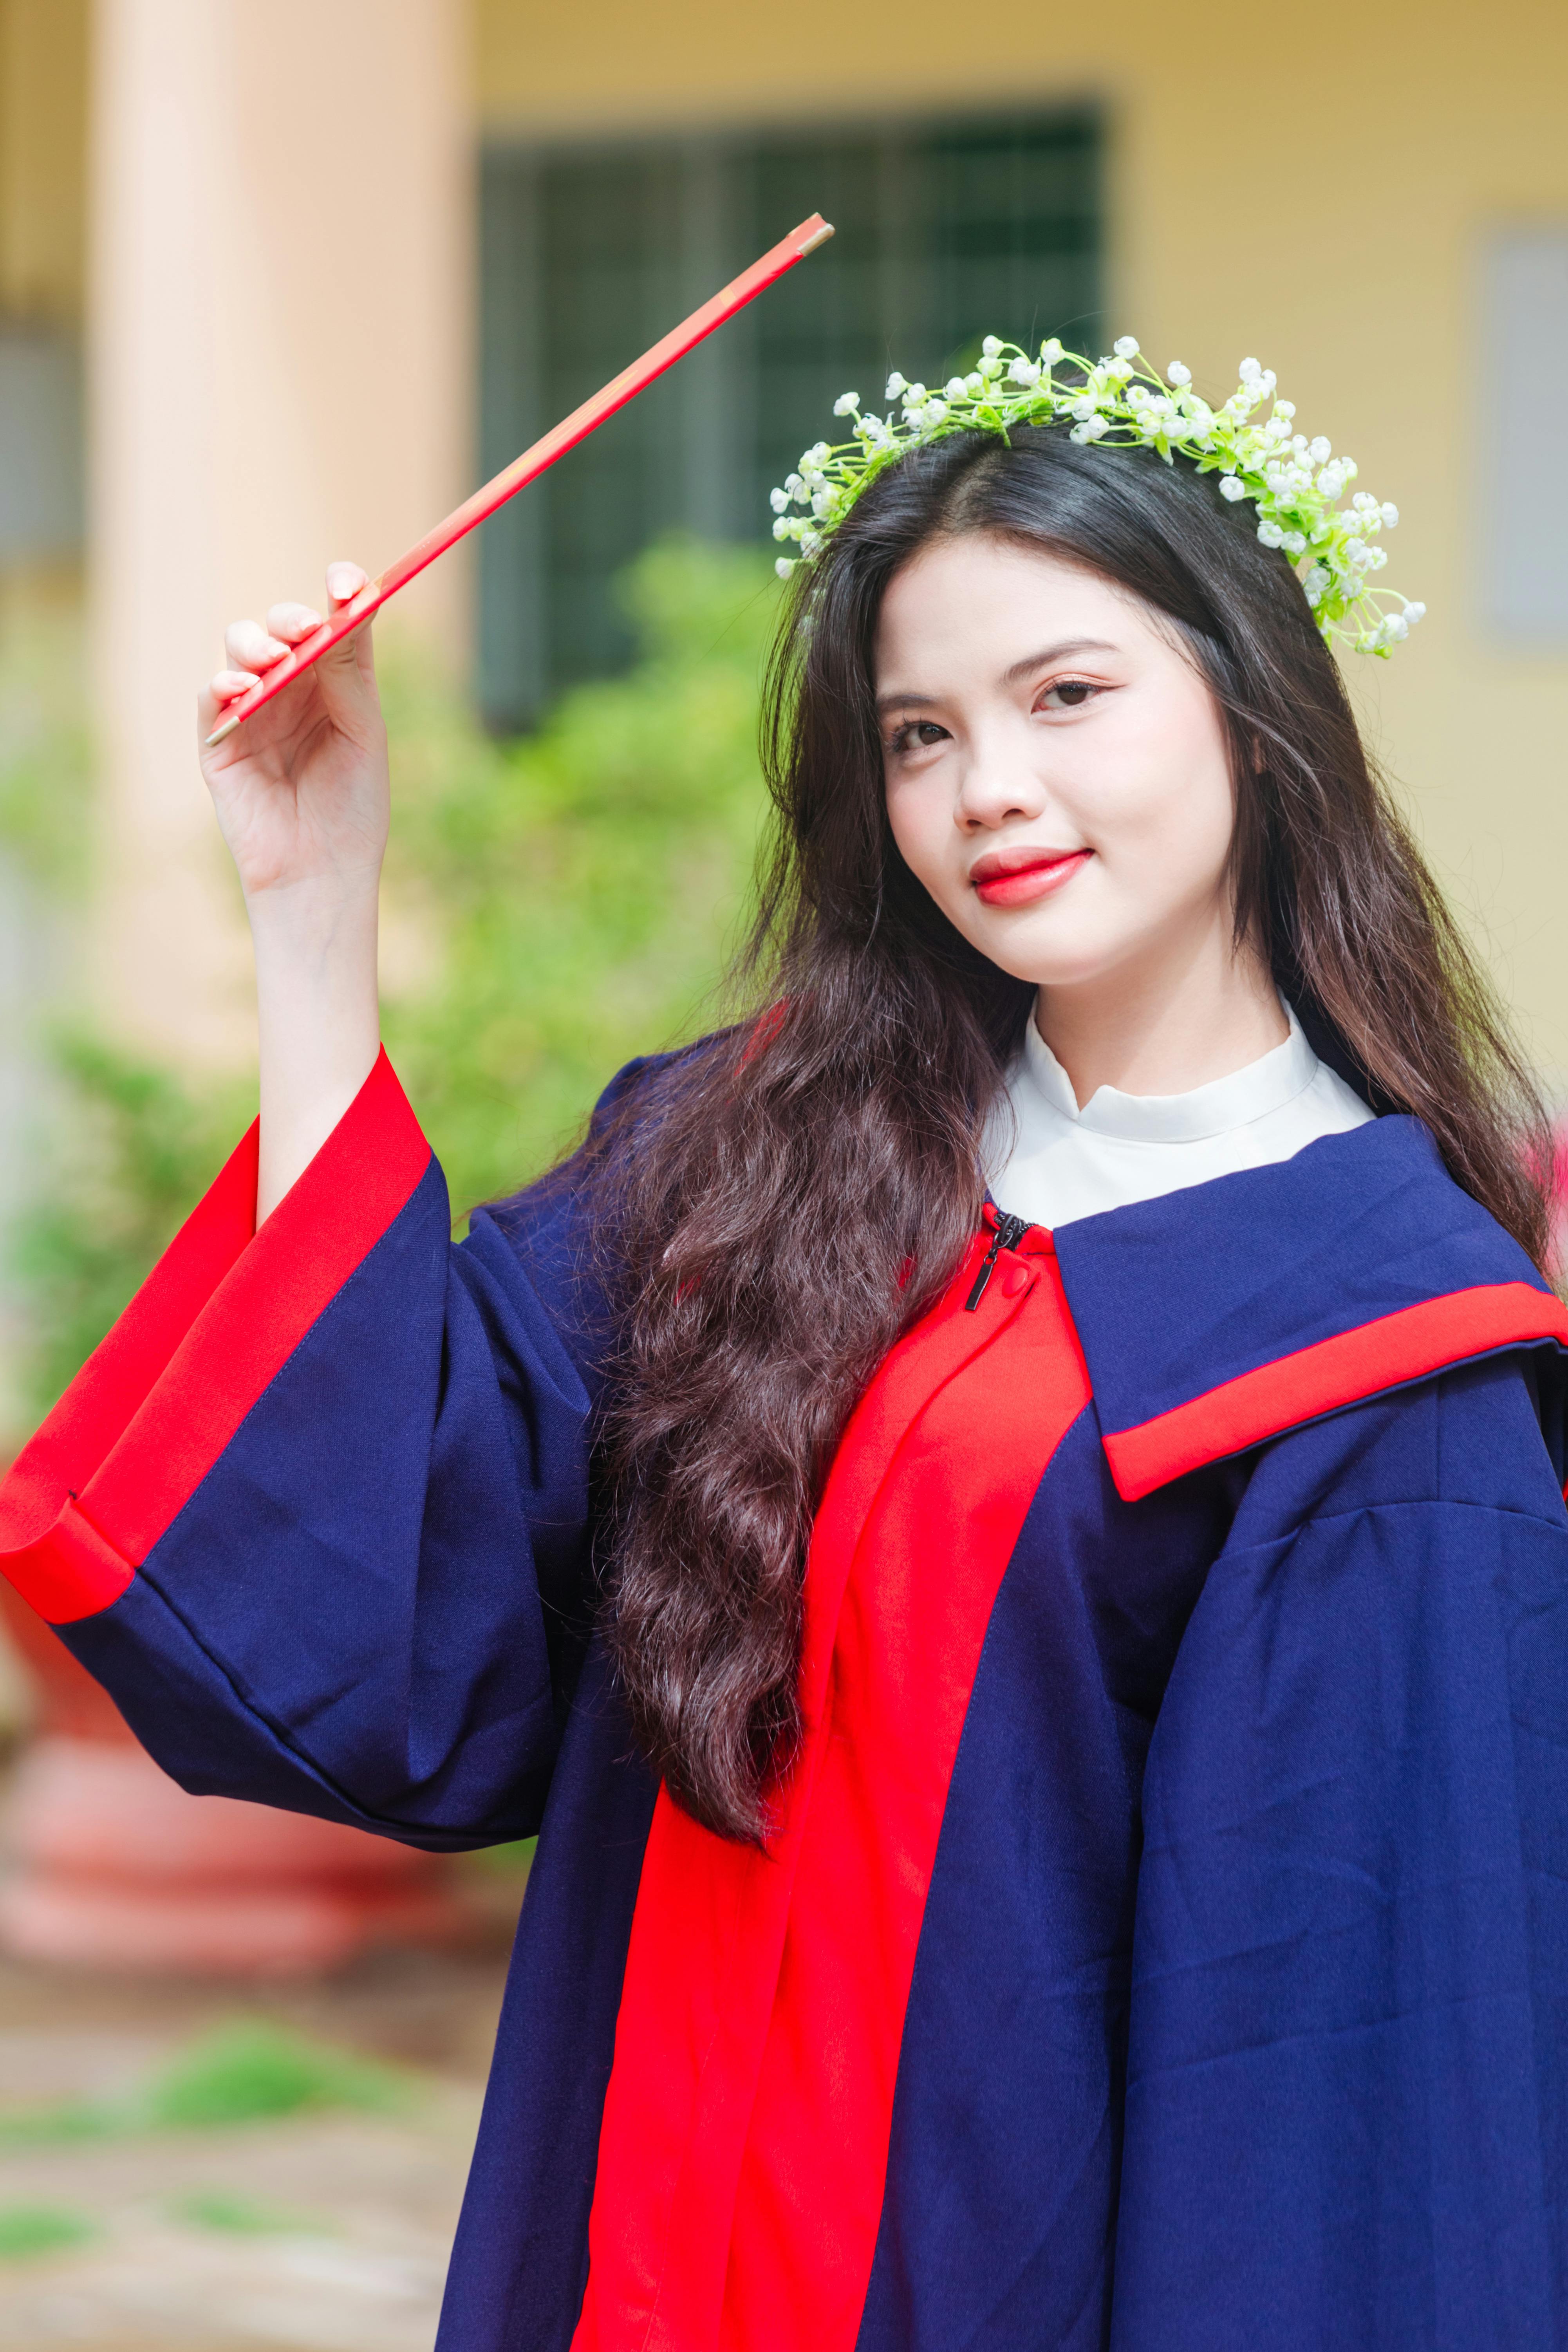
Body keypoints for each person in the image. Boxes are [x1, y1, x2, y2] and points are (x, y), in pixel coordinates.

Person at [4, 336, 1568, 2352]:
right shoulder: (765, 1162)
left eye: (1064, 695)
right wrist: (314, 902)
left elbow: (1345, 2102)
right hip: (635, 2238)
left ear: (1254, 715)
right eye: (916, 732)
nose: (985, 785)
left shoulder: (1383, 1358)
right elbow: (400, 1535)